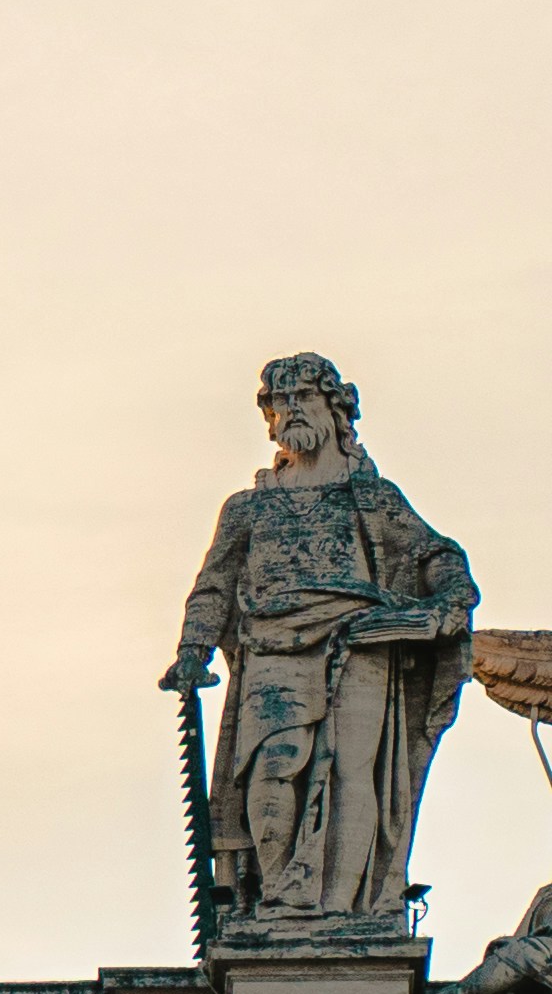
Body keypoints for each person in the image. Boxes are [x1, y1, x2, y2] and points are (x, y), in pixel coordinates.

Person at [168, 351, 477, 945]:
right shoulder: (248, 507)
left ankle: (340, 905)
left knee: (351, 770)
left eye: (303, 399)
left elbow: (438, 555)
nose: (289, 413)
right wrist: (192, 649)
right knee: (273, 763)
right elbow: (212, 584)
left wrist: (445, 603)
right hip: (271, 646)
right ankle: (282, 893)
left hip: (360, 639)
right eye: (279, 405)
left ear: (336, 410)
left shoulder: (373, 498)